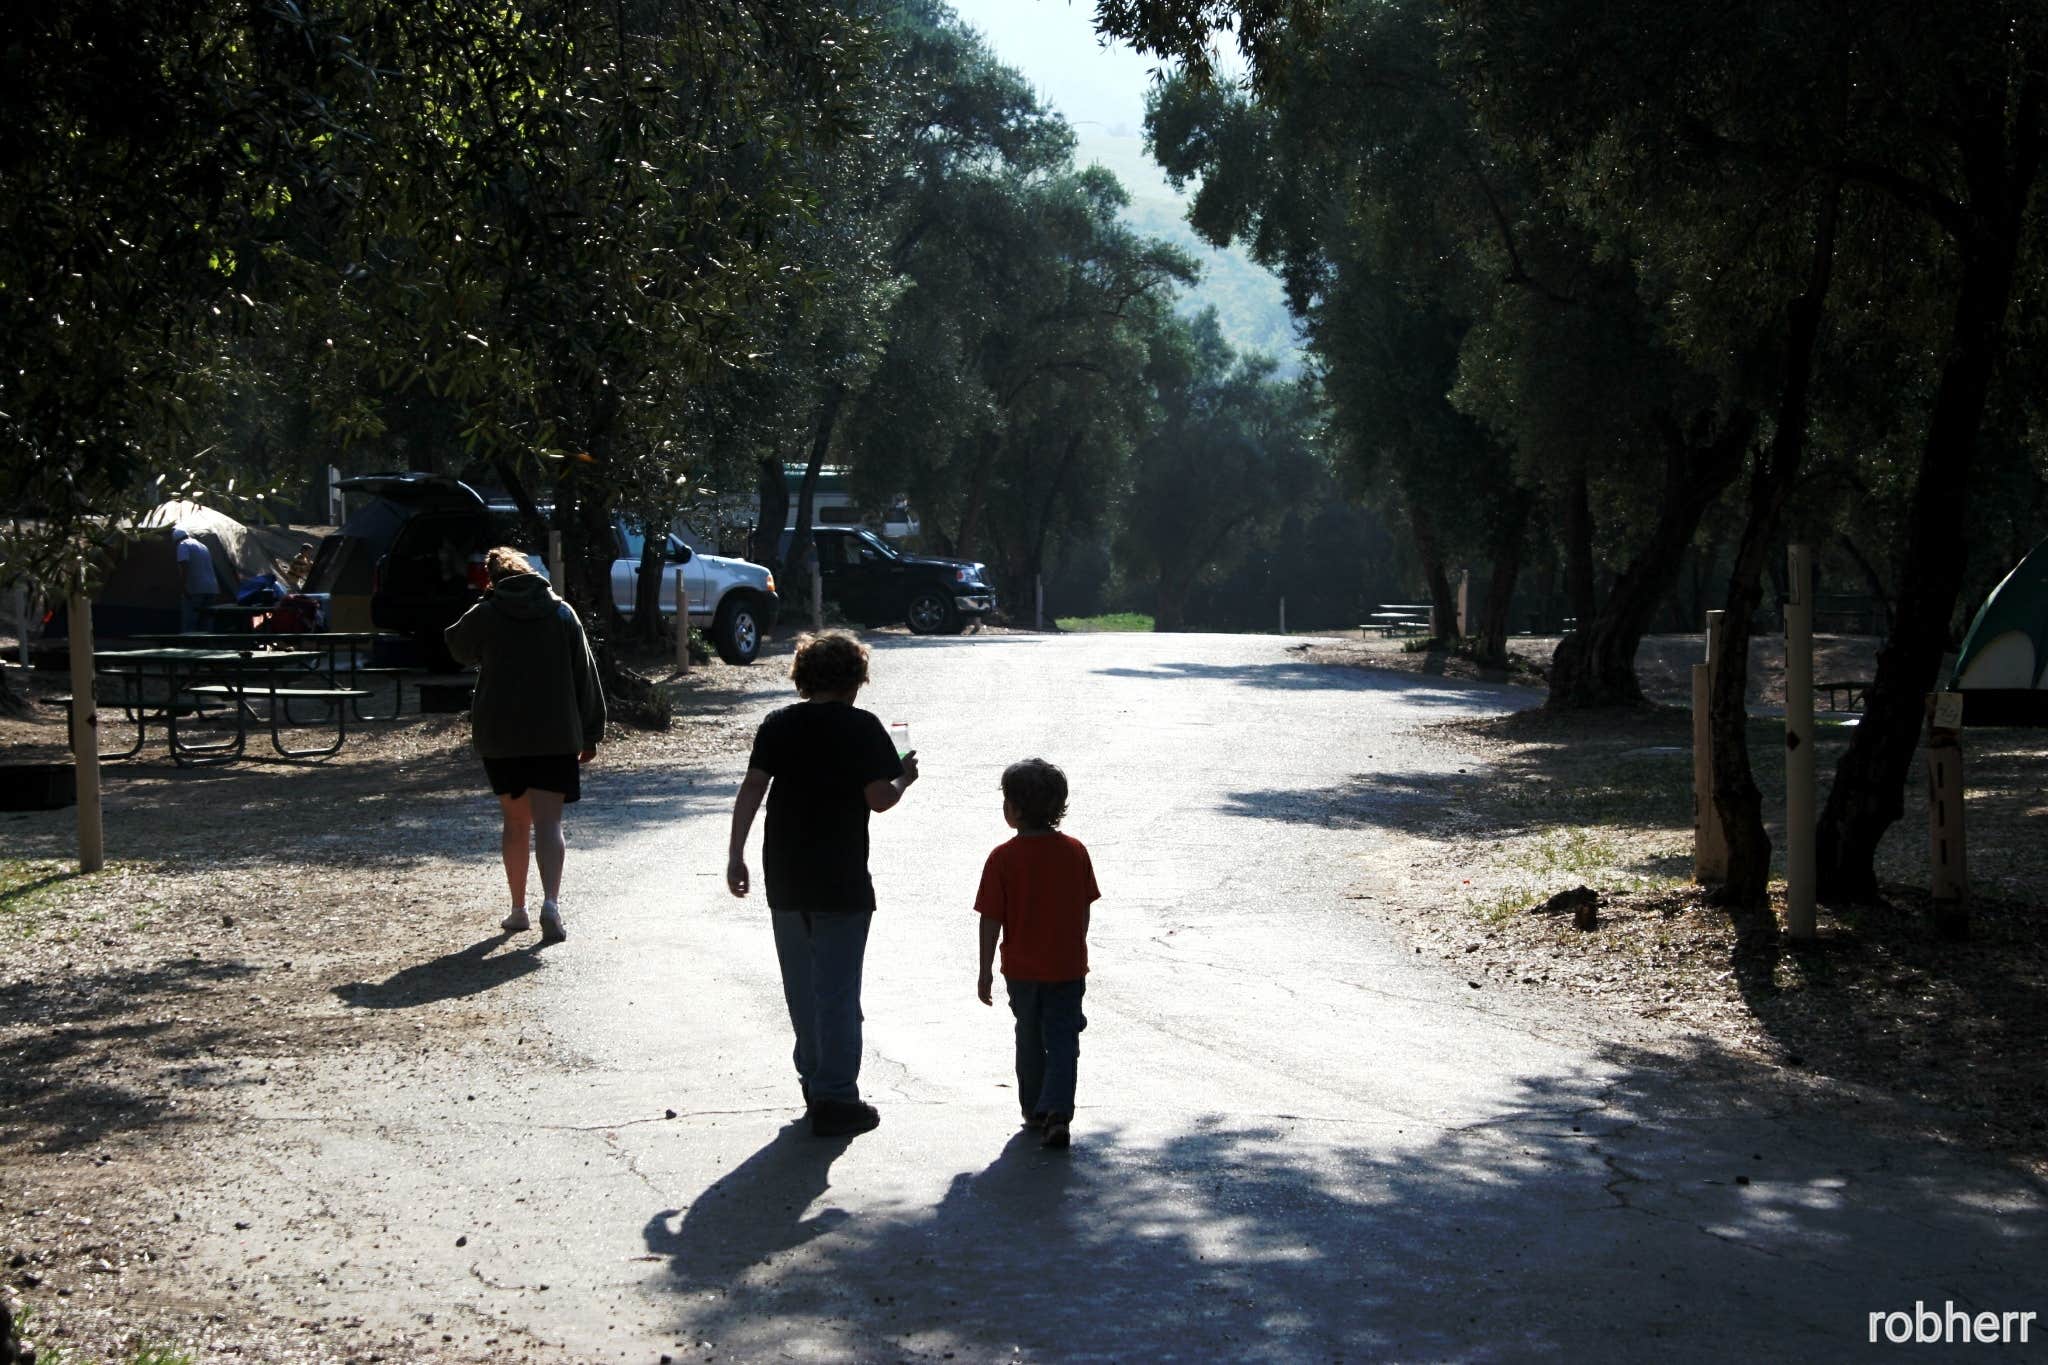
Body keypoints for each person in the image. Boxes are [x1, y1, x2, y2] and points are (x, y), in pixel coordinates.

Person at [727, 632, 919, 1138]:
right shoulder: (863, 727)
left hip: (786, 875)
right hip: (841, 878)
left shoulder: (779, 724)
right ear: (856, 679)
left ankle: (815, 1079)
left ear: (803, 676)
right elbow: (879, 798)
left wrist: (735, 854)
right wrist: (903, 777)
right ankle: (835, 1096)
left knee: (802, 988)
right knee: (837, 990)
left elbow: (752, 789)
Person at [445, 547, 605, 945]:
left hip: (502, 735)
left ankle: (518, 910)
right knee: (550, 823)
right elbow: (585, 674)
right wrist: (590, 733)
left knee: (516, 823)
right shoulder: (562, 613)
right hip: (555, 733)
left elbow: (456, 647)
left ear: (491, 579)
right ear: (532, 573)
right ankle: (550, 903)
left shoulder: (487, 612)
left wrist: (483, 606)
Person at [975, 757, 1099, 1151]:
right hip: (1066, 966)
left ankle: (1034, 1110)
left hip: (1022, 969)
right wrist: (1076, 945)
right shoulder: (1075, 851)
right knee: (1063, 1038)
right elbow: (1084, 907)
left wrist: (984, 970)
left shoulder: (1002, 858)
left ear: (1013, 810)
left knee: (1028, 1035)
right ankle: (1059, 1111)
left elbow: (991, 919)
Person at [171, 528, 219, 632]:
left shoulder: (183, 545)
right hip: (212, 588)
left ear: (176, 540)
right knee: (206, 622)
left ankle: (189, 646)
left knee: (189, 623)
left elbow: (184, 566)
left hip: (195, 589)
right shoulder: (202, 546)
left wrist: (183, 587)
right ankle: (207, 646)